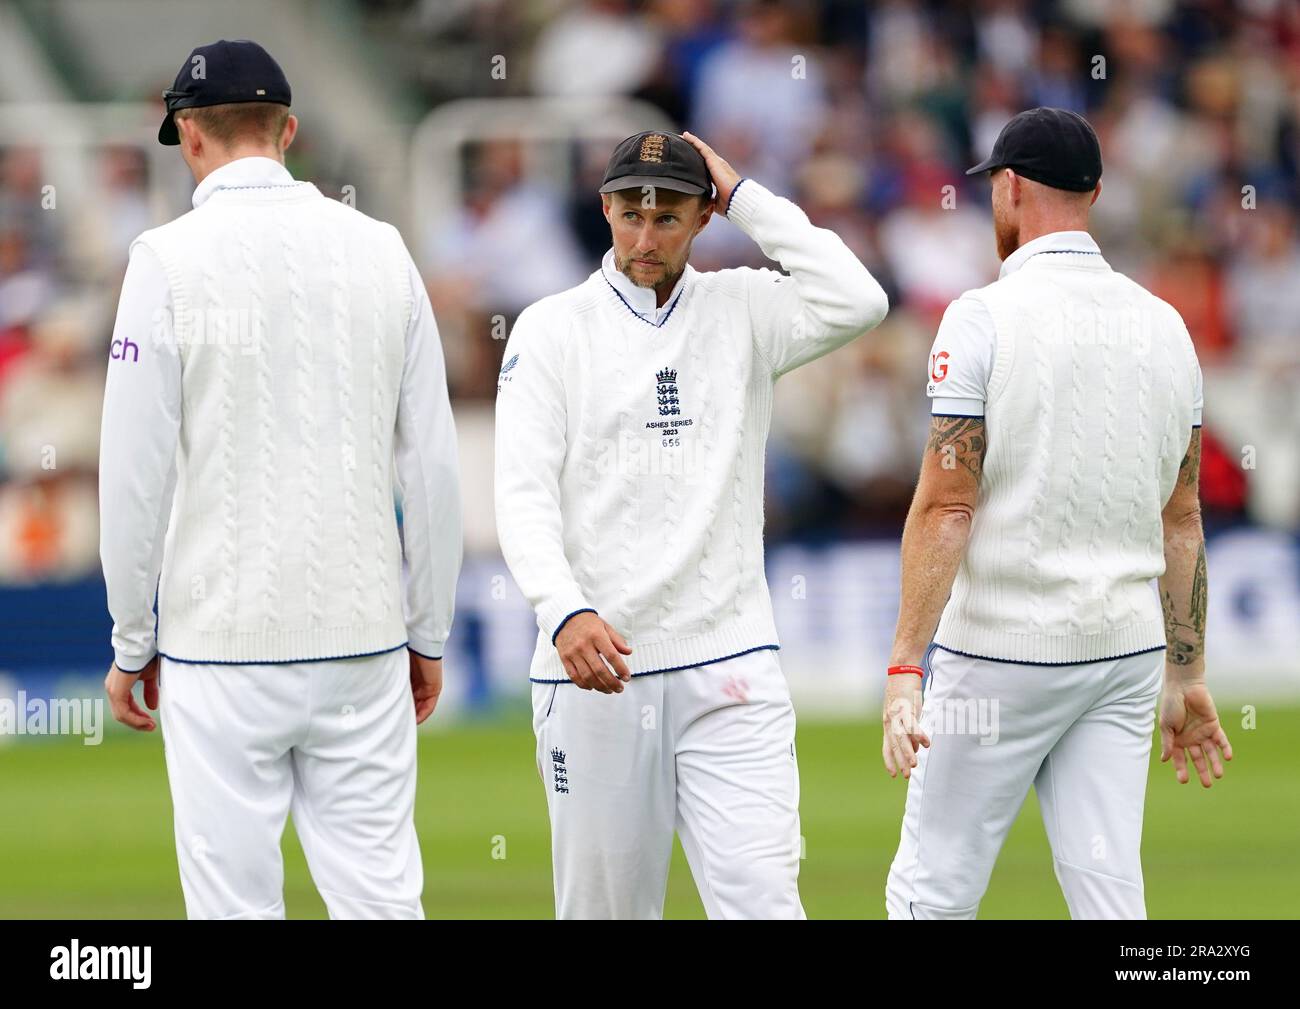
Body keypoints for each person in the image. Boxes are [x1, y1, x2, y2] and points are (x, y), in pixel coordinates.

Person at [99, 39, 462, 919]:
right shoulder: (384, 250)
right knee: (382, 901)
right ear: (289, 130)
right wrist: (429, 630)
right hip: (363, 638)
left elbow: (133, 468)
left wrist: (128, 641)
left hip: (218, 646)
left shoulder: (164, 259)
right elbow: (434, 460)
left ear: (188, 136)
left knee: (233, 907)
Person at [495, 129, 889, 919]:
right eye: (630, 214)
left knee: (766, 905)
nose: (646, 238)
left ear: (704, 218)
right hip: (595, 667)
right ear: (604, 207)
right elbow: (521, 490)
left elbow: (861, 298)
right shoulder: (551, 328)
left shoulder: (743, 307)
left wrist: (747, 195)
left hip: (730, 661)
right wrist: (561, 607)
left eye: (669, 216)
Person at [881, 107, 1232, 920]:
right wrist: (1188, 673)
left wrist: (906, 667)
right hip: (1124, 655)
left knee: (930, 892)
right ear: (1095, 192)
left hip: (1000, 651)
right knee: (1111, 897)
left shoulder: (980, 317)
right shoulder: (1166, 325)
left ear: (1007, 189)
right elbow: (1182, 517)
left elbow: (947, 504)